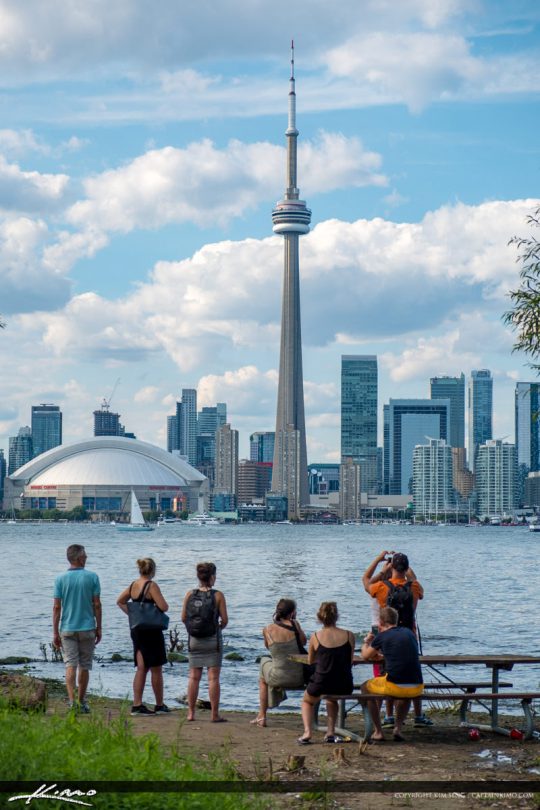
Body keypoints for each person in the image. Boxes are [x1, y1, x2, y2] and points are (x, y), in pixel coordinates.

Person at [362, 550, 431, 728]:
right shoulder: (414, 587)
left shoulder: (382, 587)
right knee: (412, 671)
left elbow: (366, 582)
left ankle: (389, 715)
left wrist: (379, 560)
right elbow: (417, 583)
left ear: (392, 567)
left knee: (387, 673)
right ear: (407, 568)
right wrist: (405, 568)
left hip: (386, 634)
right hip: (409, 635)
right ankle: (417, 715)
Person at [360, 606, 424, 742]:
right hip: (417, 687)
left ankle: (378, 731)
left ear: (380, 623)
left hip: (394, 685)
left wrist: (366, 642)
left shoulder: (382, 636)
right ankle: (398, 729)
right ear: (396, 620)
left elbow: (365, 656)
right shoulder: (409, 633)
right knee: (406, 694)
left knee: (365, 688)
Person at [117, 557, 170, 716]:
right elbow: (164, 607)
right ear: (152, 570)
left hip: (137, 629)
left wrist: (132, 614)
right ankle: (159, 704)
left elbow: (120, 601)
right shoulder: (151, 586)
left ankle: (137, 704)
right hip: (151, 630)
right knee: (156, 668)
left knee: (141, 667)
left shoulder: (133, 585)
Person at [52, 544, 102, 713]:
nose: (86, 558)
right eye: (85, 556)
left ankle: (72, 701)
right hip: (87, 627)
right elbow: (97, 604)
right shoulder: (93, 577)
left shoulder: (60, 579)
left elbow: (57, 607)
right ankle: (82, 701)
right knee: (85, 665)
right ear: (79, 558)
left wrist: (55, 631)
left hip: (67, 628)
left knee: (70, 665)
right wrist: (99, 627)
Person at [298, 601, 354, 745]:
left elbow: (310, 661)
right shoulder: (349, 635)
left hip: (322, 681)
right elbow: (350, 660)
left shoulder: (316, 637)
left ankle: (307, 732)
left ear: (320, 618)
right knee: (332, 699)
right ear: (337, 617)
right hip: (344, 683)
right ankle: (330, 732)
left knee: (307, 701)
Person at [182, 562, 228, 723]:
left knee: (194, 677)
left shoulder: (190, 594)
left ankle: (190, 713)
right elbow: (225, 620)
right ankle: (214, 714)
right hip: (212, 640)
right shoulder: (218, 595)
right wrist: (217, 628)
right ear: (213, 577)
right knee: (213, 678)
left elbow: (183, 618)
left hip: (194, 640)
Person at [251, 598, 307, 727]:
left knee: (264, 664)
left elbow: (269, 648)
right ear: (292, 613)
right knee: (268, 668)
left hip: (277, 677)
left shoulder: (267, 630)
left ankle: (262, 716)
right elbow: (303, 642)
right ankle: (262, 715)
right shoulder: (295, 625)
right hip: (299, 677)